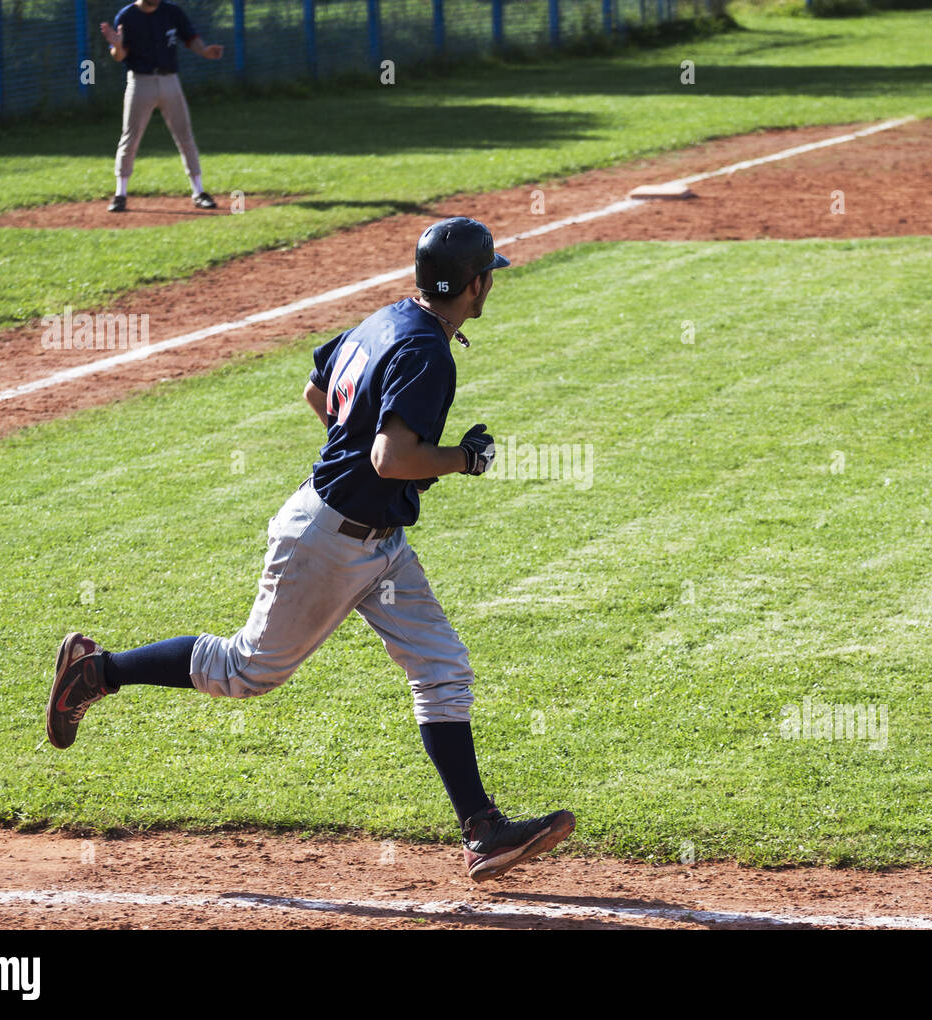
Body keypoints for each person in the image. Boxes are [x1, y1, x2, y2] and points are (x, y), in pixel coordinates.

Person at [45, 217, 576, 882]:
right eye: (487, 276)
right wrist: (465, 460)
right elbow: (392, 458)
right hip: (328, 544)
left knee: (441, 665)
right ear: (474, 285)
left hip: (373, 542)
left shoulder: (388, 319)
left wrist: (347, 449)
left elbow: (316, 389)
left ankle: (483, 832)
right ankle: (97, 670)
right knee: (243, 671)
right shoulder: (428, 353)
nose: (489, 285)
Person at [100, 0, 223, 213]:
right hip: (140, 82)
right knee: (130, 137)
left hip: (170, 80)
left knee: (185, 135)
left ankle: (199, 192)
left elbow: (190, 38)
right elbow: (119, 56)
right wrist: (117, 45)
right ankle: (120, 194)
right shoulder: (127, 16)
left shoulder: (172, 12)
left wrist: (204, 51)